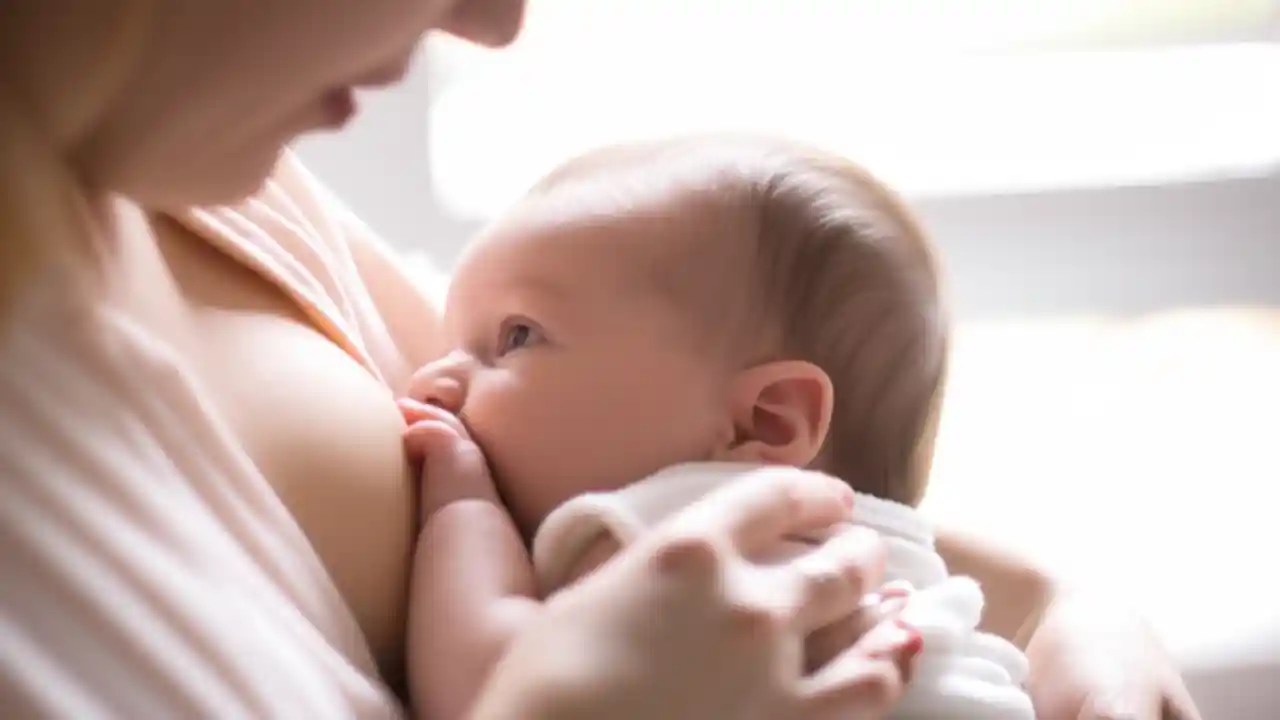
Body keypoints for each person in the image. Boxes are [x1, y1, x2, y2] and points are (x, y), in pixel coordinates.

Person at [0, 2, 1200, 718]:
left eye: (510, 339)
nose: (491, 19)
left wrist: (1078, 611)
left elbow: (786, 494)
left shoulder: (210, 173)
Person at [399, 137, 1035, 719]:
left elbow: (488, 685)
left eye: (517, 336)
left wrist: (461, 509)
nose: (435, 380)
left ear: (763, 422)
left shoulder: (689, 527)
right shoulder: (901, 569)